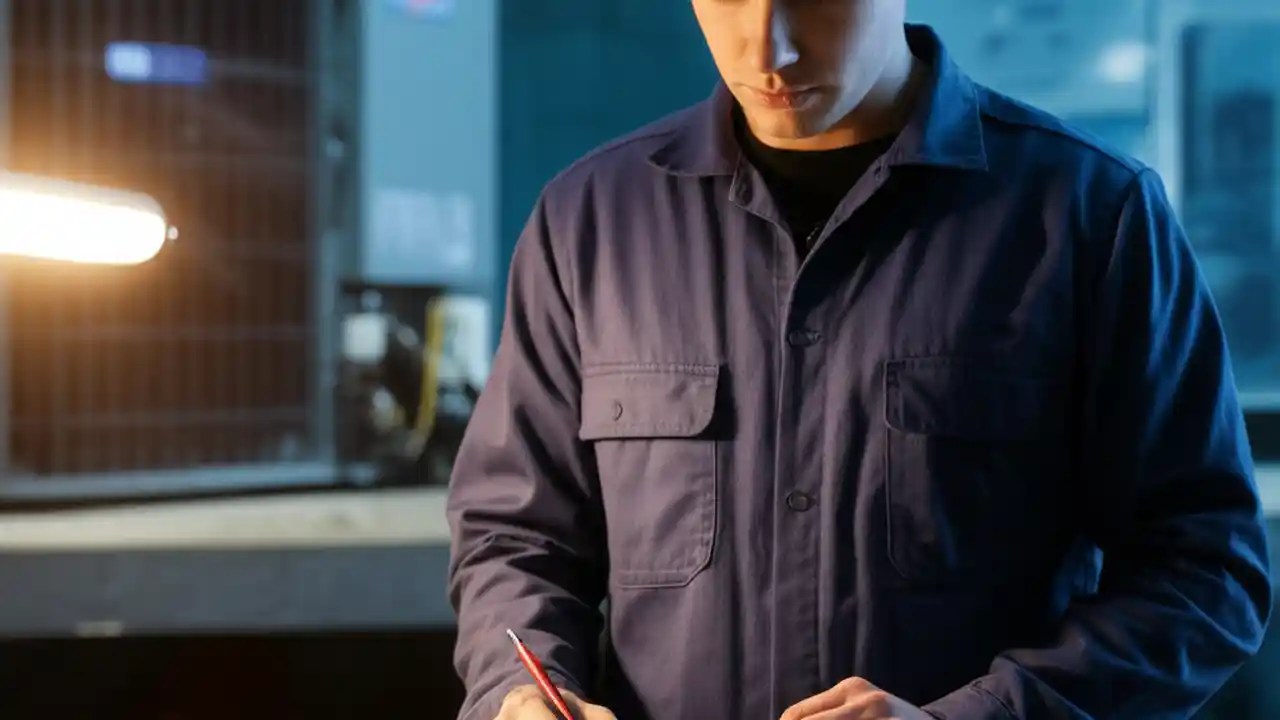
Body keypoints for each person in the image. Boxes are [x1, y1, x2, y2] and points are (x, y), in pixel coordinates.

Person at [447, 2, 1273, 718]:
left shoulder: (1091, 214)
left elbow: (1207, 571)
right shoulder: (590, 221)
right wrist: (522, 693)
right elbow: (514, 537)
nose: (766, 49)